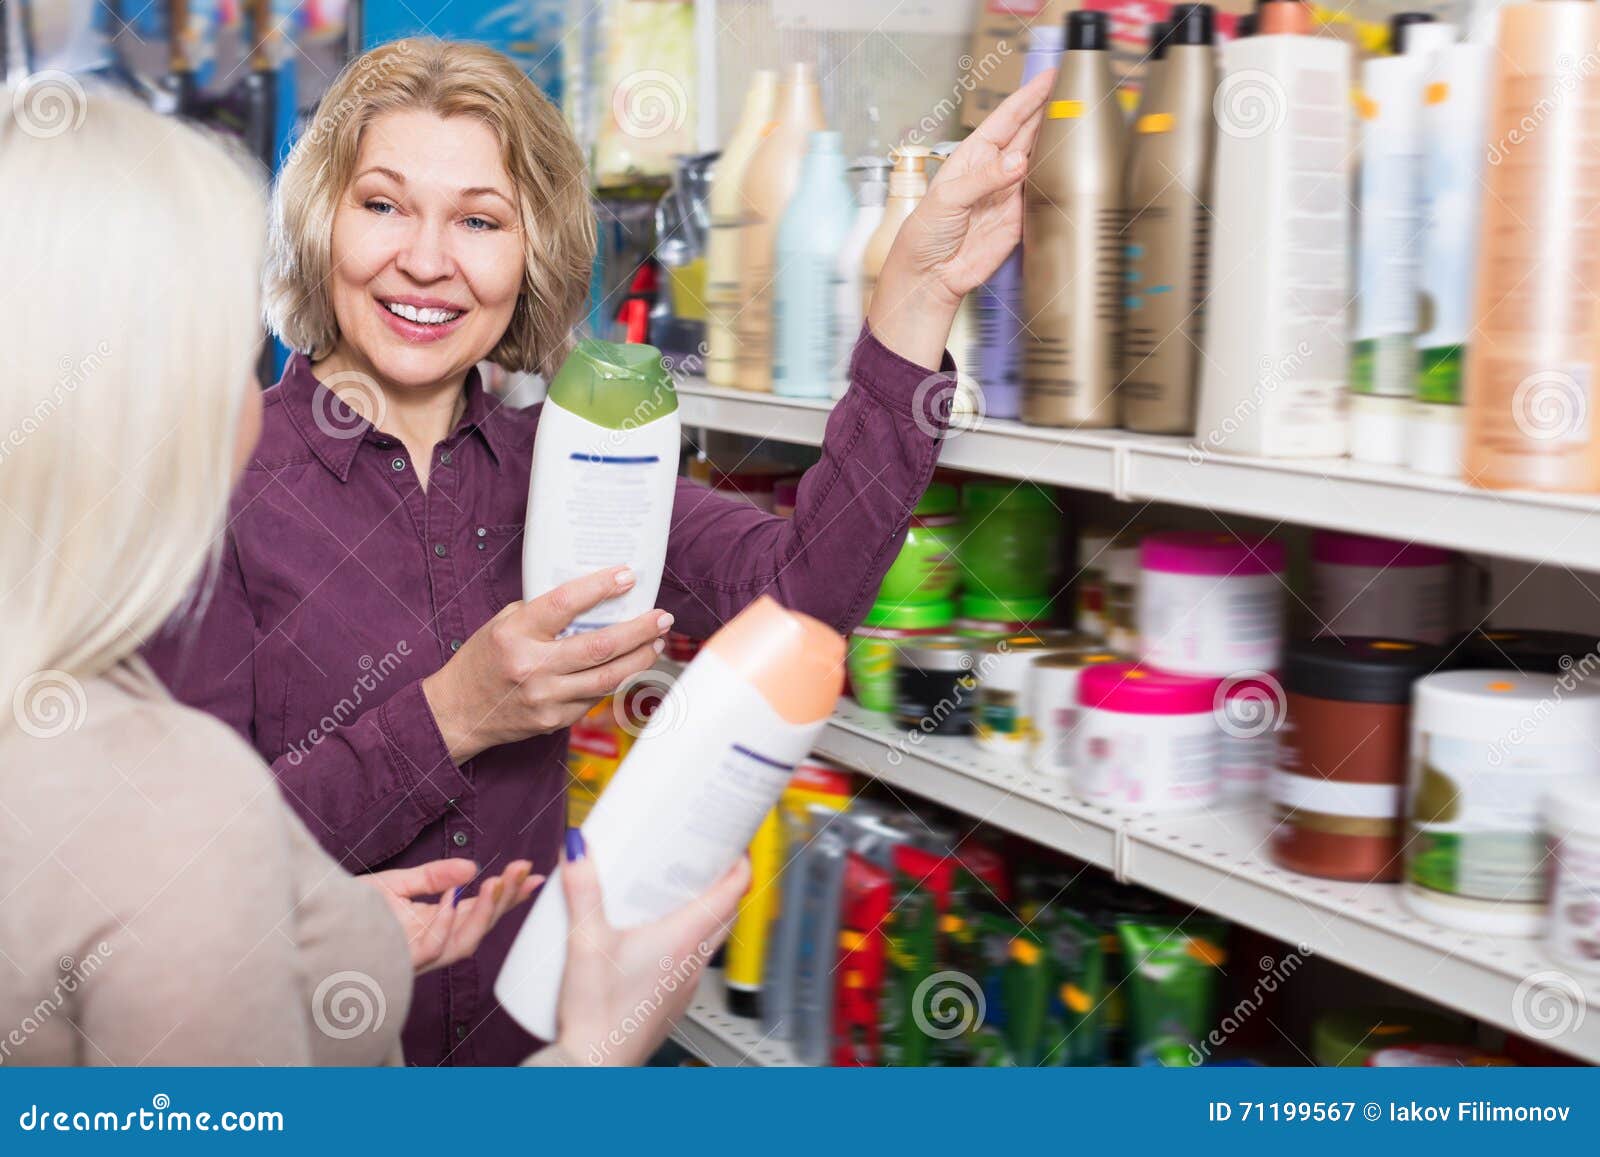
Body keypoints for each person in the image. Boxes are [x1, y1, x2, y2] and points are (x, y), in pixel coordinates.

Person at [146, 39, 1055, 1065]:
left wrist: (915, 299)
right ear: (319, 223)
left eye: (480, 221)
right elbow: (190, 883)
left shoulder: (572, 467)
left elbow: (806, 595)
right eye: (384, 205)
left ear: (531, 254)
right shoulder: (211, 486)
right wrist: (453, 715)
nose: (429, 260)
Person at [0, 89, 746, 1067]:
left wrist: (309, 944)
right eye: (223, 358)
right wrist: (591, 1059)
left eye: (480, 219)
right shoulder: (175, 792)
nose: (427, 259)